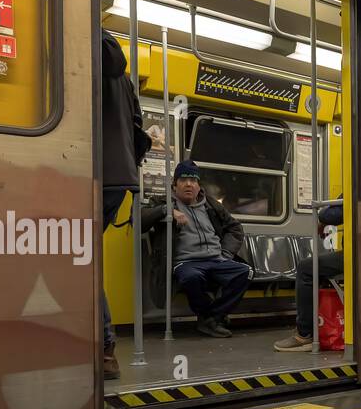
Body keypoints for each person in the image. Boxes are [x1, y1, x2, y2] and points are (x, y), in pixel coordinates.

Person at [141, 160, 249, 338]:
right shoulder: (162, 202)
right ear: (175, 184)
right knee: (191, 277)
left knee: (245, 272)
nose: (189, 184)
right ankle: (212, 319)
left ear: (199, 186)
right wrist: (167, 210)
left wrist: (226, 254)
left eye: (193, 180)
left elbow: (235, 228)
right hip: (186, 261)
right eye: (183, 179)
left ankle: (210, 318)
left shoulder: (211, 205)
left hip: (216, 259)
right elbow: (138, 218)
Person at [99, 29, 153, 378]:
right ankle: (104, 350)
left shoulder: (76, 50)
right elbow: (138, 128)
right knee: (84, 261)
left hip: (91, 171)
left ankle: (103, 348)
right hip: (118, 177)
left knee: (77, 264)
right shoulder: (126, 77)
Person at [275, 198, 345, 352]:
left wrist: (323, 217)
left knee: (306, 268)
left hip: (358, 253)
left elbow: (330, 214)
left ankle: (304, 334)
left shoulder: (356, 182)